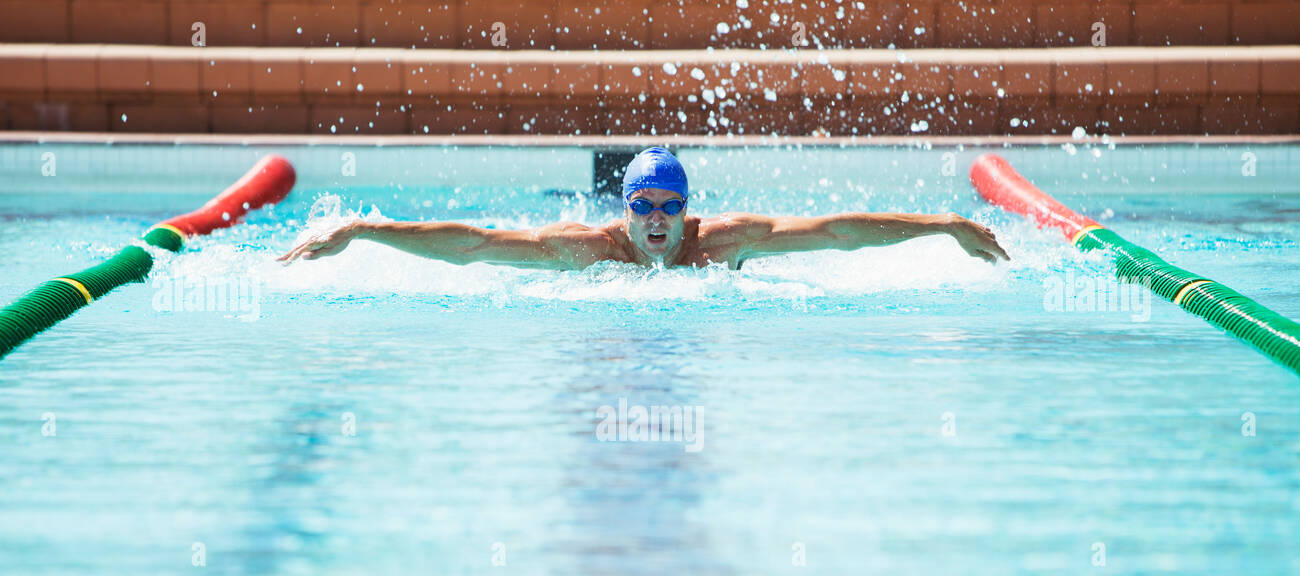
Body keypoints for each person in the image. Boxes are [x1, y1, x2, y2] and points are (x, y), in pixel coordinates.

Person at [278, 146, 1009, 270]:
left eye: (670, 204)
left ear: (688, 209)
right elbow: (476, 244)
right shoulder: (590, 249)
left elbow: (838, 234)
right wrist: (366, 229)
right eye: (642, 204)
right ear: (623, 209)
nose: (656, 216)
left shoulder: (719, 244)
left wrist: (945, 224)